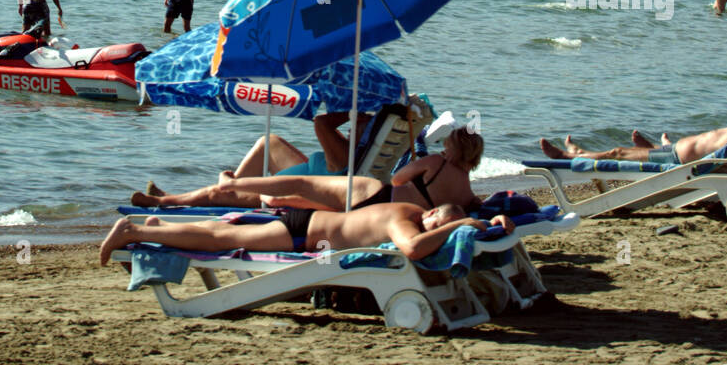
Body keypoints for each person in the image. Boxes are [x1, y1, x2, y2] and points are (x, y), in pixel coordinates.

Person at [133, 125, 487, 215]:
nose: (445, 147)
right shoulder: (466, 188)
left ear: (455, 148)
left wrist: (416, 157)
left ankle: (169, 202)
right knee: (282, 192)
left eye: (449, 143)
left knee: (281, 191)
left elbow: (397, 179)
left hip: (372, 195)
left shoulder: (437, 164)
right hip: (378, 209)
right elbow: (469, 207)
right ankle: (175, 199)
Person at [100, 192, 514, 267]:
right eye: (437, 223)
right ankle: (133, 231)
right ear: (431, 214)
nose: (435, 230)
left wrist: (490, 220)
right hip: (302, 234)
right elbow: (414, 250)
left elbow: (476, 211)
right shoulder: (405, 220)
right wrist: (460, 223)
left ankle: (157, 223)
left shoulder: (411, 209)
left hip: (307, 227)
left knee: (221, 230)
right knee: (221, 239)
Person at [539, 100, 727, 167]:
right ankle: (579, 151)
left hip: (676, 160)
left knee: (618, 153)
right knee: (636, 150)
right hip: (675, 152)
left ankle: (569, 156)